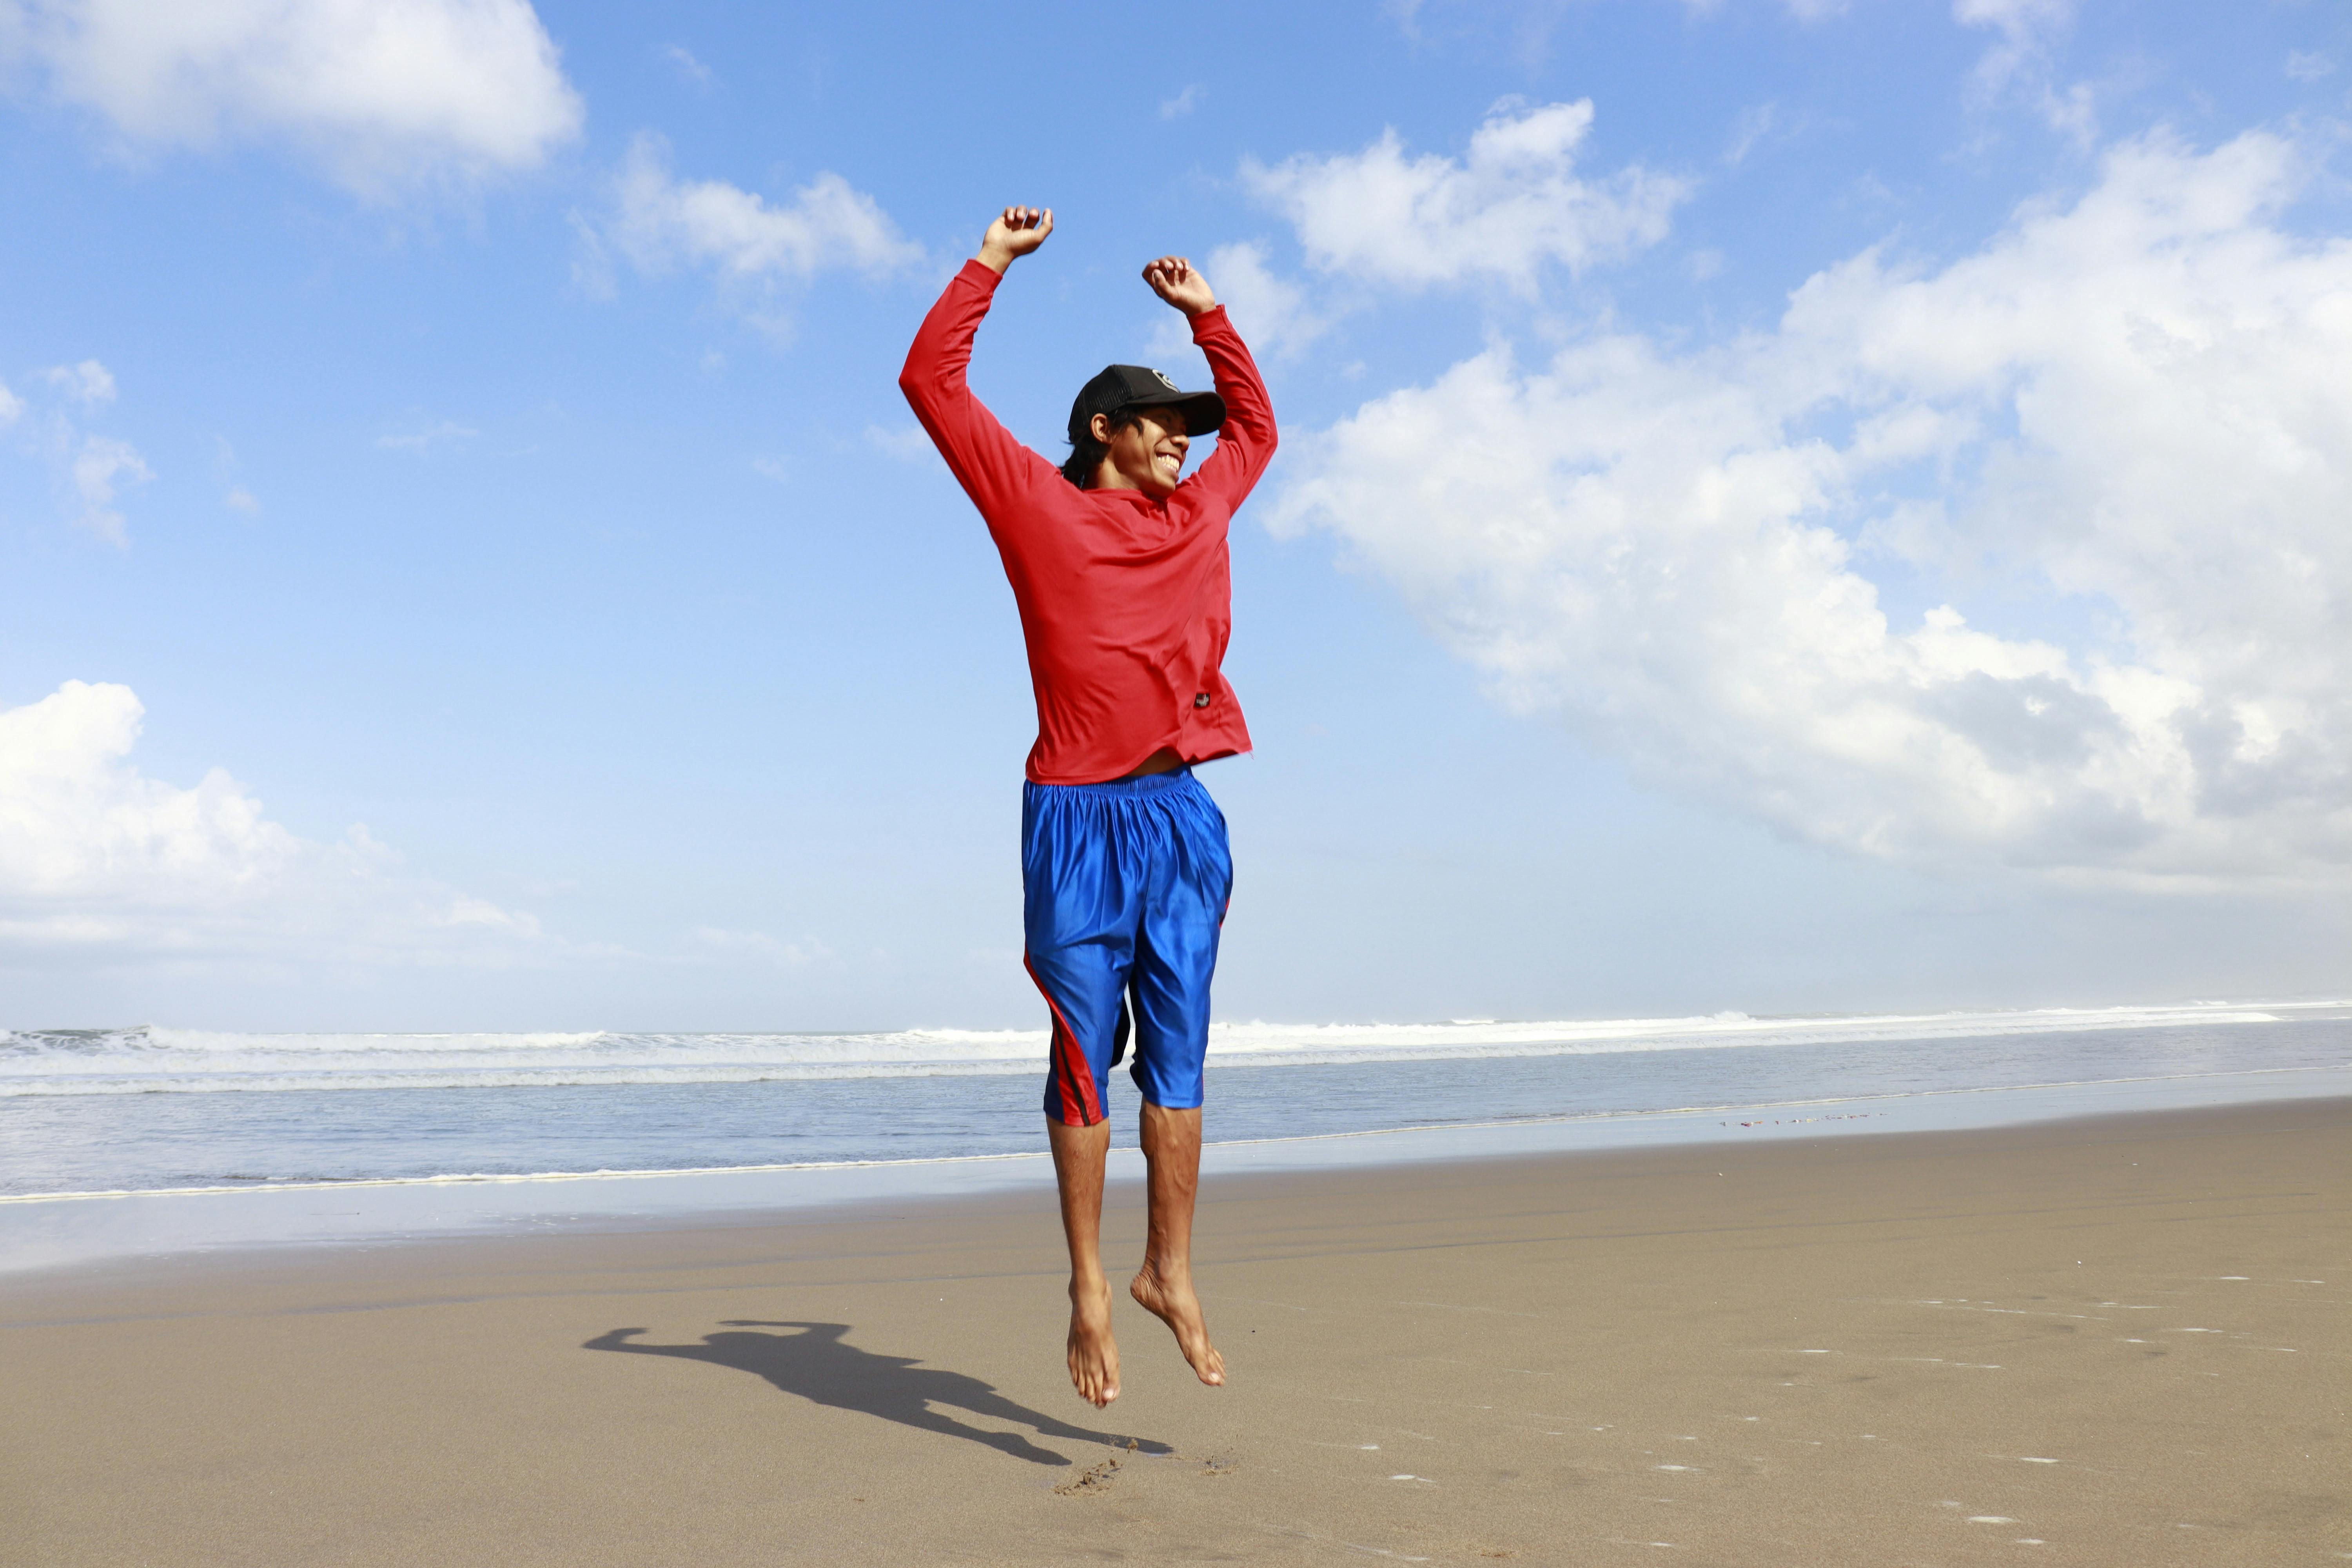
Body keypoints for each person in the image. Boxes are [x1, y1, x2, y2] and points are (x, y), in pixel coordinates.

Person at [899, 206, 1276, 1408]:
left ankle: (1169, 1268)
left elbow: (1260, 428)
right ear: (1105, 430)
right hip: (1072, 818)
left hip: (1181, 819)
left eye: (1184, 427)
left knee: (1180, 1058)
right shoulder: (1036, 507)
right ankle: (1088, 1285)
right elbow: (932, 382)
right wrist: (990, 265)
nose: (1183, 440)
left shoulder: (1200, 512)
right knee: (1079, 1058)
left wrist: (1210, 317)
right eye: (1162, 423)